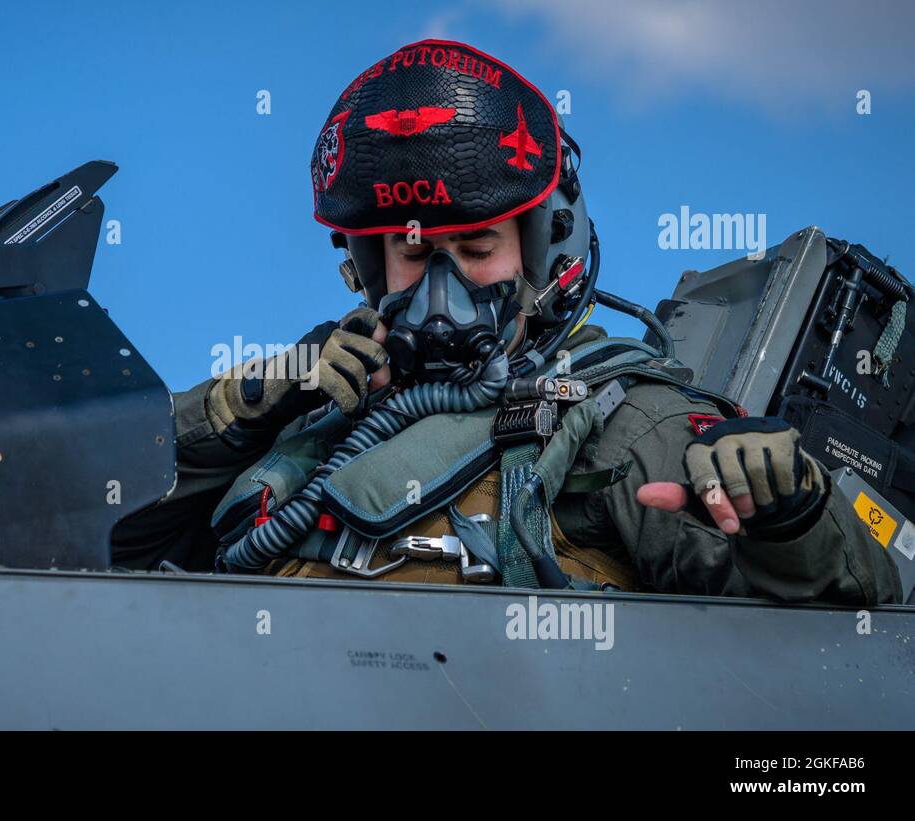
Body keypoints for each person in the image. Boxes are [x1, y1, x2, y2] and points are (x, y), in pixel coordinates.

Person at [113, 38, 903, 605]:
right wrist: (247, 400)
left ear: (539, 251)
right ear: (370, 263)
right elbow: (96, 535)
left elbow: (853, 604)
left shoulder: (618, 417)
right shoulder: (317, 411)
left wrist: (790, 508)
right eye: (417, 253)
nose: (444, 282)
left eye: (478, 246)